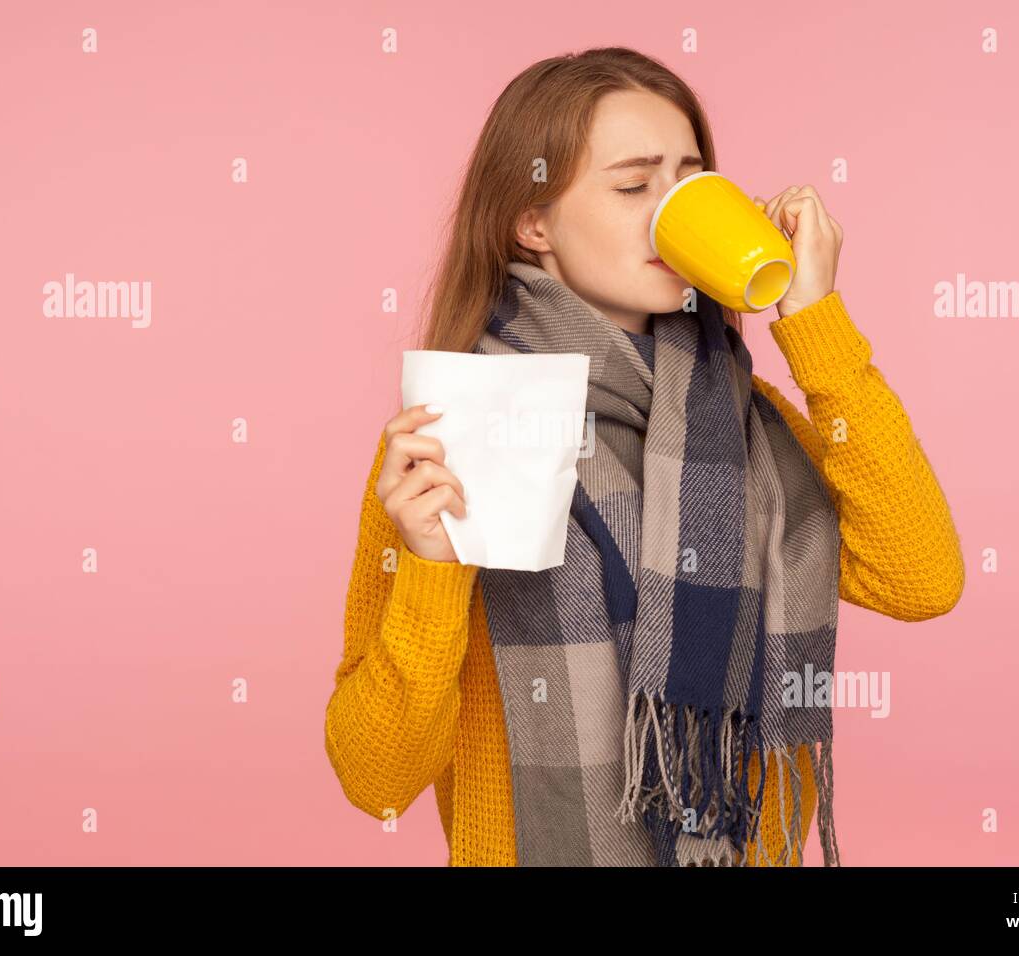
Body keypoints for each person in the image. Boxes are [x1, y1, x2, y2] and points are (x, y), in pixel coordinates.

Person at [325, 46, 964, 866]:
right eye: (634, 186)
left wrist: (815, 321)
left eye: (691, 180)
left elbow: (922, 578)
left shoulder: (747, 425)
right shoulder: (459, 432)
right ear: (533, 223)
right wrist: (430, 567)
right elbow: (374, 776)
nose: (671, 210)